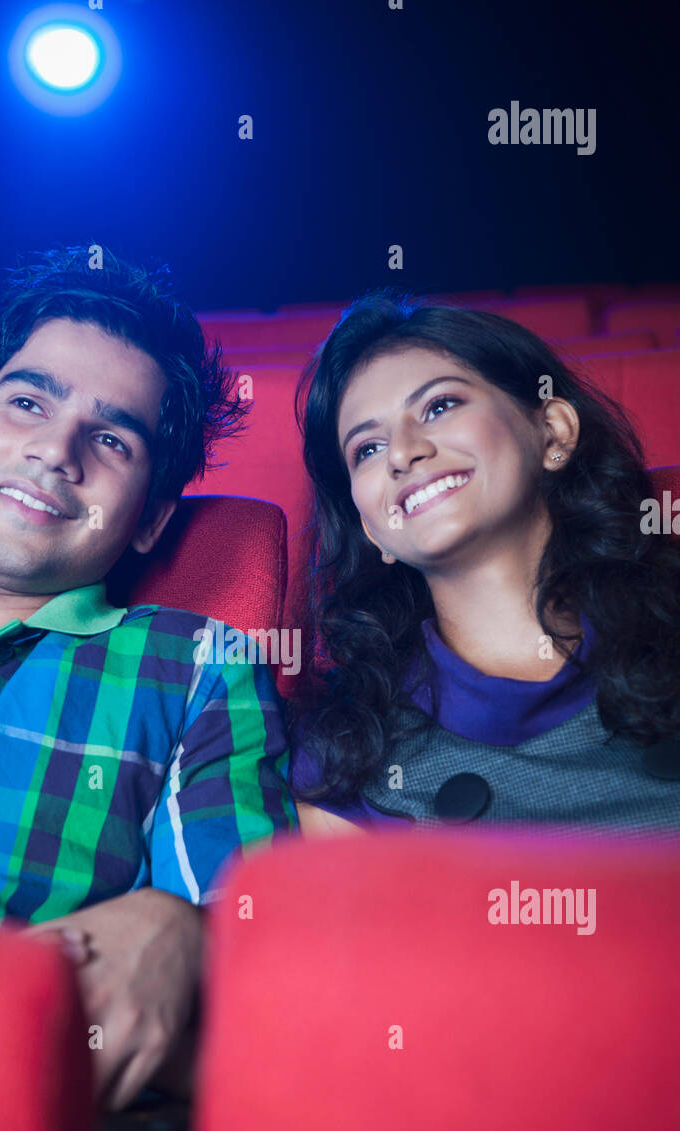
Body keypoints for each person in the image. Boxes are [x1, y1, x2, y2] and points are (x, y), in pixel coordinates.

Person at [0, 245, 296, 1109]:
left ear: (151, 518)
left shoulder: (195, 670)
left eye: (110, 438)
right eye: (29, 401)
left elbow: (260, 961)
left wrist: (183, 924)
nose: (54, 449)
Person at [290, 292, 680, 836]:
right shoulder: (345, 753)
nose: (402, 452)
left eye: (440, 406)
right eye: (368, 449)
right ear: (373, 530)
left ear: (553, 432)